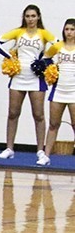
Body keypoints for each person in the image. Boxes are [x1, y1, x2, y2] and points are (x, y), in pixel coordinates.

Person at [0, 4, 56, 163]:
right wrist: (11, 57)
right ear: (24, 18)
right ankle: (9, 148)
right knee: (13, 113)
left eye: (33, 16)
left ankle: (40, 150)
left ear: (38, 17)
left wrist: (45, 61)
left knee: (38, 115)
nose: (30, 19)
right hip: (18, 76)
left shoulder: (44, 33)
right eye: (27, 16)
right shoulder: (18, 32)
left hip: (36, 78)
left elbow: (58, 45)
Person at [40, 19, 75, 166]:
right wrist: (51, 71)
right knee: (54, 124)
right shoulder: (58, 46)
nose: (69, 32)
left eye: (72, 29)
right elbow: (46, 58)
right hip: (58, 90)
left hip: (74, 91)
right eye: (67, 29)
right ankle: (46, 155)